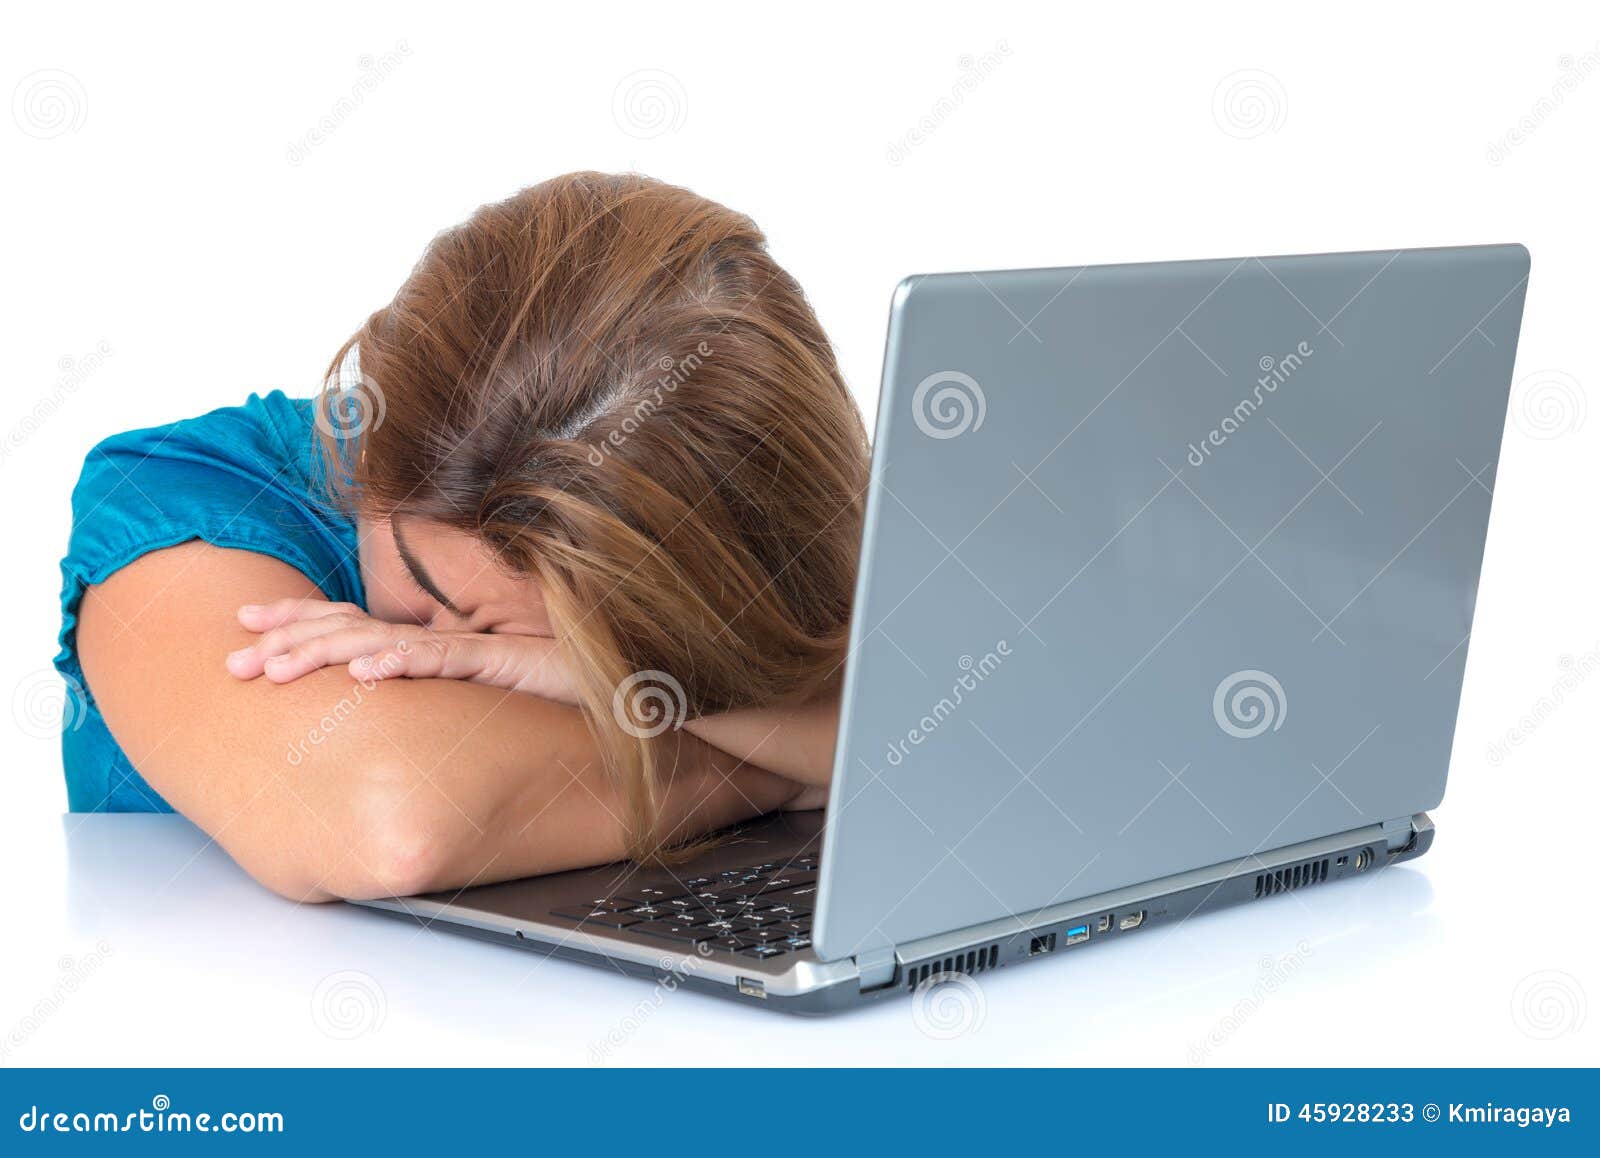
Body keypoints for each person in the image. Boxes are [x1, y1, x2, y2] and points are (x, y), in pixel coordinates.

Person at [56, 172, 868, 902]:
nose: (449, 650)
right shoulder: (184, 502)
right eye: (434, 590)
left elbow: (960, 725)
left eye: (579, 643)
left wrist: (592, 678)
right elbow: (390, 818)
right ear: (370, 443)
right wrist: (792, 759)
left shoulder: (746, 530)